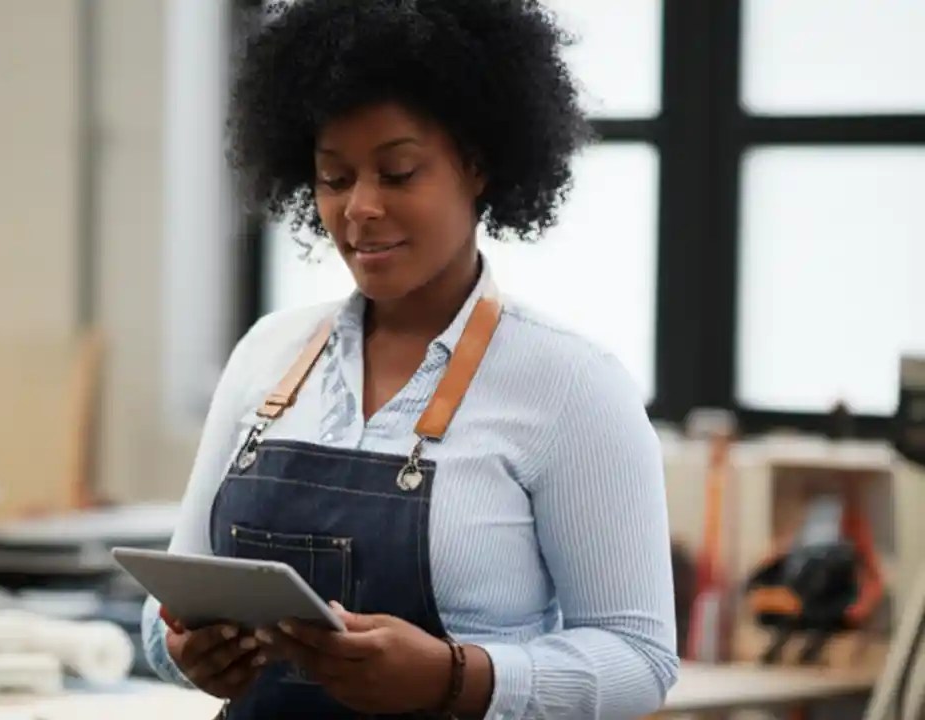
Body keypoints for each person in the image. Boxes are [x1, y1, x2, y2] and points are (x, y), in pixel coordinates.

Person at [140, 0, 679, 717]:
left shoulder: (572, 387)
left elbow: (638, 660)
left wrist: (455, 678)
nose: (360, 207)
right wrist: (183, 650)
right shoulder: (267, 354)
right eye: (335, 178)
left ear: (478, 165)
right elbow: (168, 604)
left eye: (397, 173)